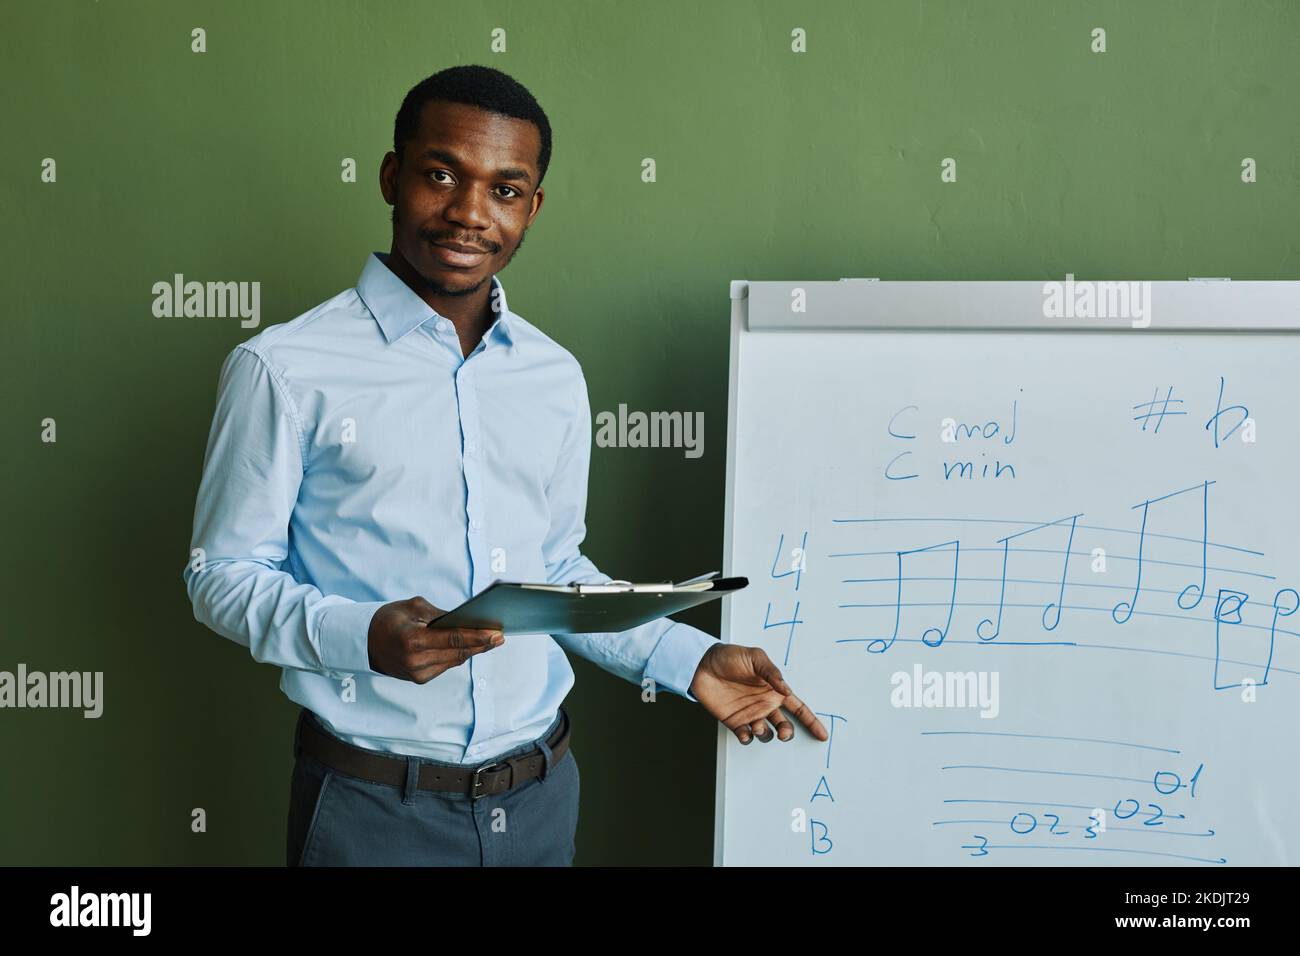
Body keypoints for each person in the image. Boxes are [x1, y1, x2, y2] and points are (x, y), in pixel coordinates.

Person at [182, 64, 827, 867]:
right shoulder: (282, 367)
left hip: (540, 798)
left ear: (533, 207)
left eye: (505, 190)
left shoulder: (553, 376)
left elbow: (552, 569)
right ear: (392, 176)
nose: (468, 214)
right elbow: (221, 573)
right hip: (372, 811)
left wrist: (685, 658)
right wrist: (361, 637)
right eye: (442, 175)